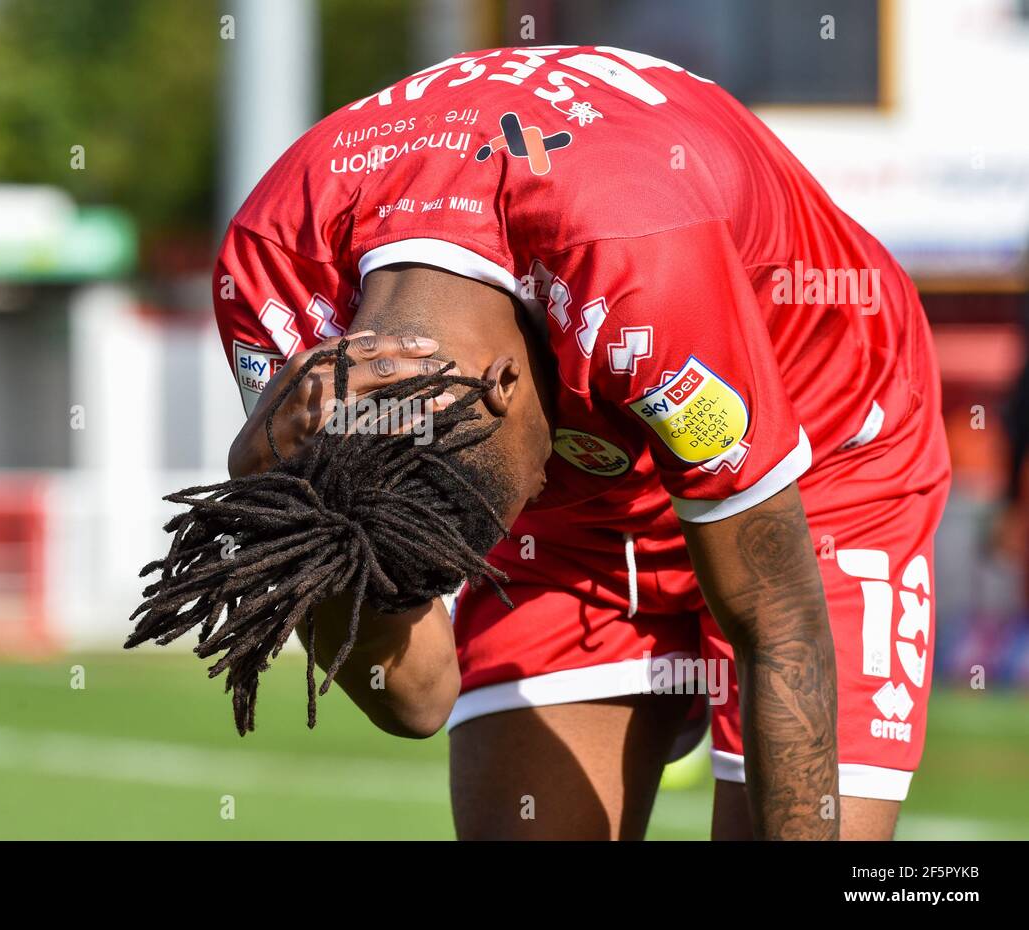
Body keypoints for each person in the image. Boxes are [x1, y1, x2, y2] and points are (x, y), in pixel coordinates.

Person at [136, 45, 951, 840]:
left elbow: (779, 623)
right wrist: (266, 490)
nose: (533, 495)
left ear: (505, 385)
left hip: (827, 465)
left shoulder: (635, 261)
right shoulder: (274, 279)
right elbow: (418, 699)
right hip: (579, 534)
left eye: (520, 495)